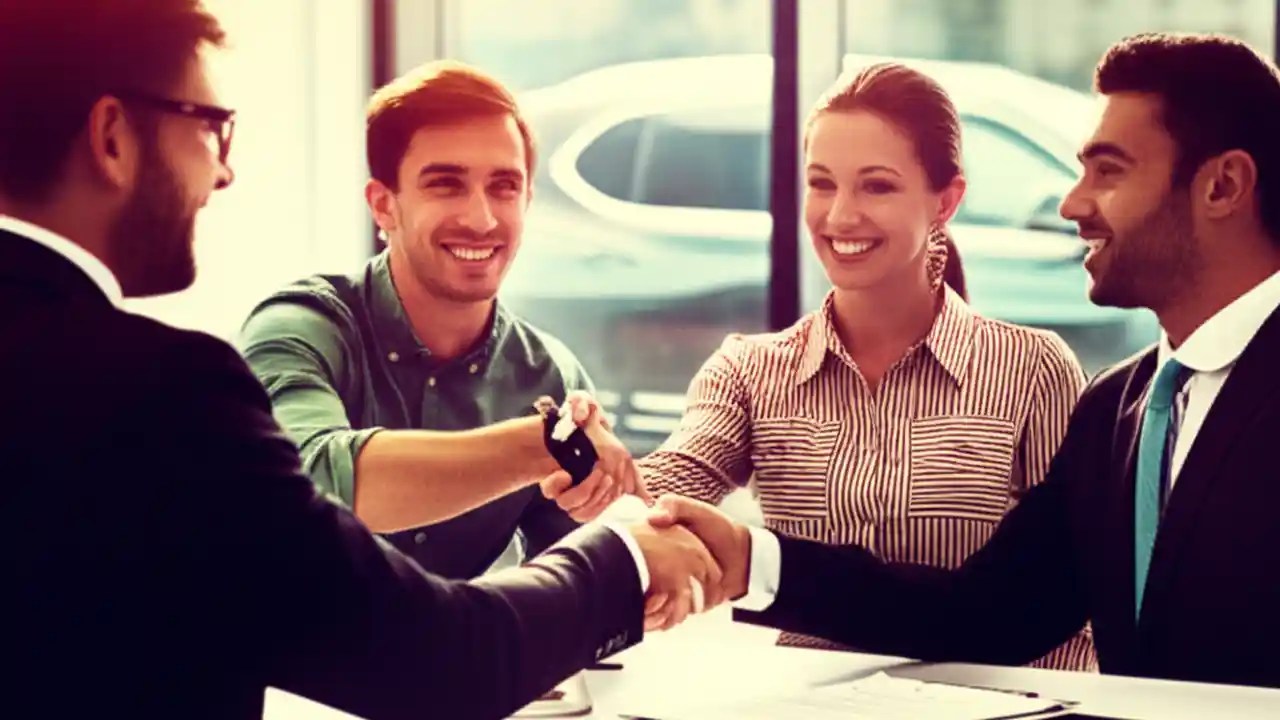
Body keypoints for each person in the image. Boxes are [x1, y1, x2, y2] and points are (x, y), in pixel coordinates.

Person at [0, 2, 726, 717]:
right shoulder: (171, 386)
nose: (223, 173)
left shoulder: (551, 372)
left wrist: (634, 539)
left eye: (504, 186)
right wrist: (617, 555)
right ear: (111, 136)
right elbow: (437, 658)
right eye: (213, 127)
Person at [648, 32, 1280, 689]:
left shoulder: (1054, 378)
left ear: (1223, 186)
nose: (1072, 203)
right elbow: (985, 614)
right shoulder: (1117, 409)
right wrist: (752, 559)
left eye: (1109, 170)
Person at [626, 62, 1094, 669]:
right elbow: (665, 494)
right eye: (822, 184)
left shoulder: (1033, 369)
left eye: (877, 186)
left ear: (946, 200)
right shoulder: (747, 370)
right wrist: (609, 485)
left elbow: (1059, 604)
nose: (840, 216)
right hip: (810, 705)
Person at [236, 60, 647, 580]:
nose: (481, 219)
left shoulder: (551, 377)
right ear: (384, 207)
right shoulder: (299, 327)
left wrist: (611, 509)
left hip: (450, 656)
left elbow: (584, 583)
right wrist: (538, 445)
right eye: (446, 185)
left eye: (504, 187)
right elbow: (311, 480)